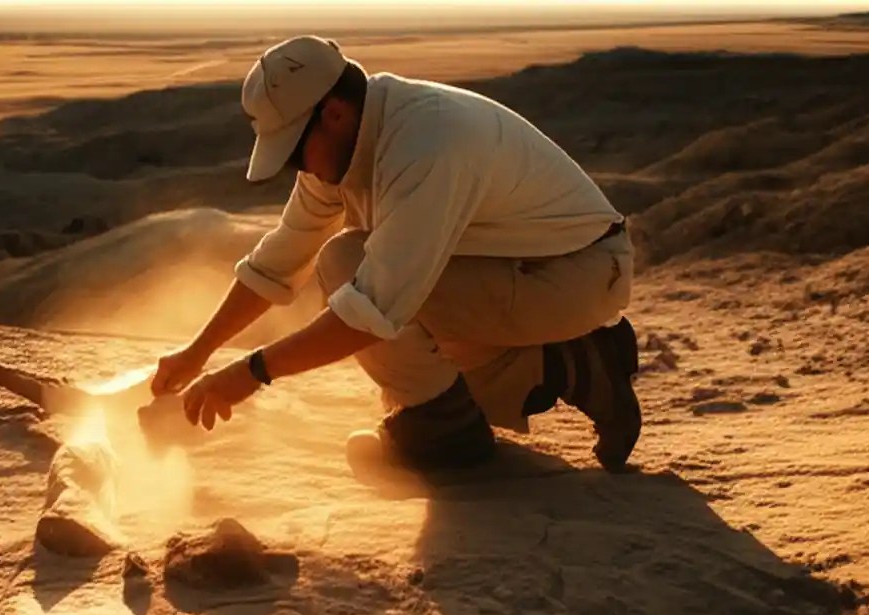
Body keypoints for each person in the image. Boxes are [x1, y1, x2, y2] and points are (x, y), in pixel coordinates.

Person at [150, 35, 641, 472]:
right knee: (402, 342)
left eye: (295, 155)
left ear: (334, 114)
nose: (299, 170)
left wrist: (251, 372)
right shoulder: (347, 145)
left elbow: (370, 309)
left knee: (347, 270)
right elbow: (279, 260)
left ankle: (446, 429)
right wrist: (198, 352)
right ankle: (572, 362)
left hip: (580, 271)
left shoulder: (426, 145)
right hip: (534, 268)